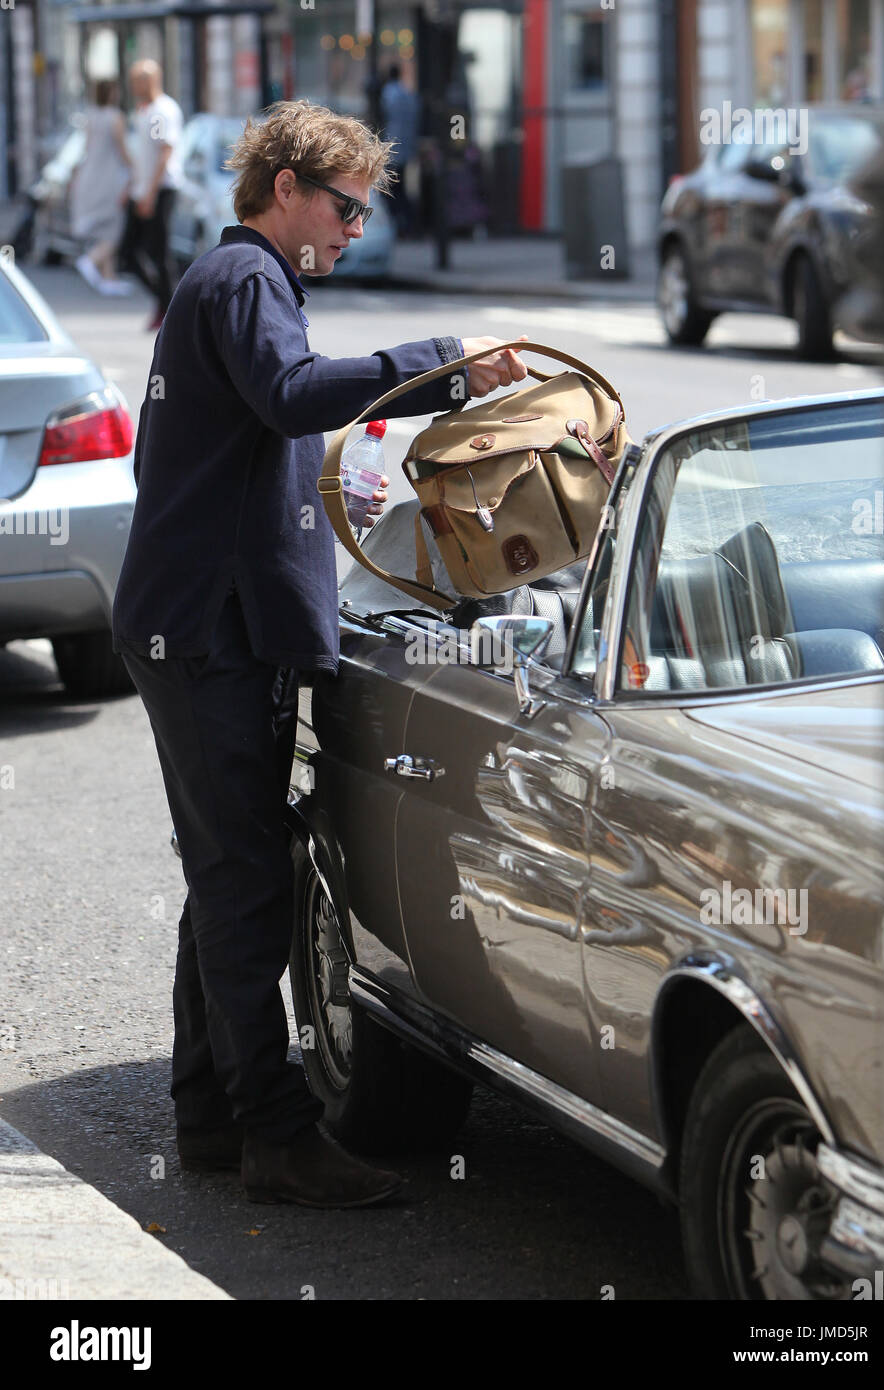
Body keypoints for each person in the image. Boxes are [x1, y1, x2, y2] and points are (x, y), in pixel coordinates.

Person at [110, 98, 528, 1210]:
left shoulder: (229, 284)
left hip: (201, 623)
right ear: (285, 188)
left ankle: (211, 1114)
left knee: (233, 867)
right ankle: (277, 1138)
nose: (351, 230)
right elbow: (291, 395)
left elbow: (242, 443)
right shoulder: (246, 279)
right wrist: (443, 365)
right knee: (247, 873)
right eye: (342, 209)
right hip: (208, 633)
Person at [117, 59, 183, 331]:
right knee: (129, 253)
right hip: (143, 190)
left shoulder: (162, 111)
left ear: (150, 80)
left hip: (161, 190)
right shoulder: (144, 112)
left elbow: (164, 154)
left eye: (137, 81)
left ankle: (172, 308)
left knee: (159, 253)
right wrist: (131, 188)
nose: (133, 87)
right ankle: (166, 302)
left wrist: (150, 195)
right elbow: (142, 155)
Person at [71, 79, 134, 296]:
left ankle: (109, 278)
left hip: (90, 176)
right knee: (115, 229)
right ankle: (90, 260)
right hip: (109, 179)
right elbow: (122, 149)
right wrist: (136, 168)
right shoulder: (115, 117)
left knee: (104, 230)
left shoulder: (91, 116)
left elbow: (87, 148)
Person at [380, 62, 420, 237]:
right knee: (401, 188)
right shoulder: (408, 94)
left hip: (390, 146)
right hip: (406, 146)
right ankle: (408, 223)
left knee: (390, 190)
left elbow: (383, 115)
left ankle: (398, 224)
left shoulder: (388, 93)